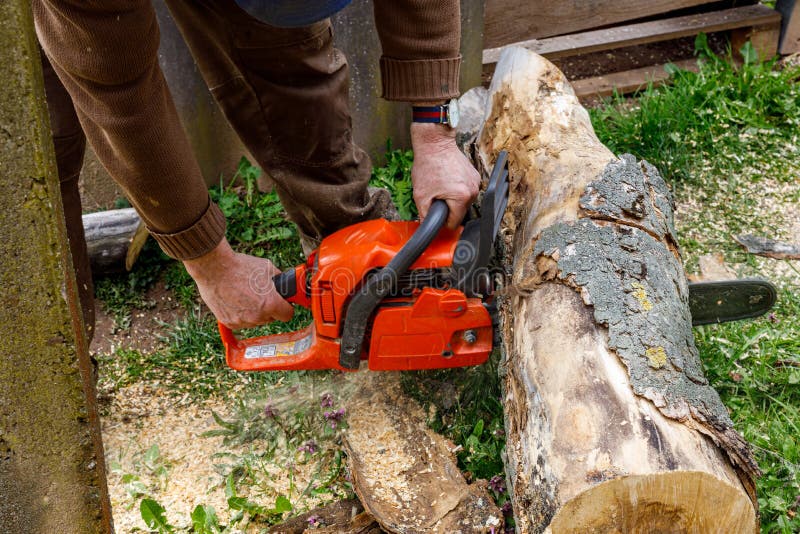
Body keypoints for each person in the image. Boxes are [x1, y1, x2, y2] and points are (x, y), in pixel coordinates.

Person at [33, 0, 480, 337]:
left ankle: (370, 297)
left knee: (293, 76)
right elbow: (118, 99)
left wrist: (434, 129)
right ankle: (56, 382)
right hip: (81, 21)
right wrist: (209, 262)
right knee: (39, 153)